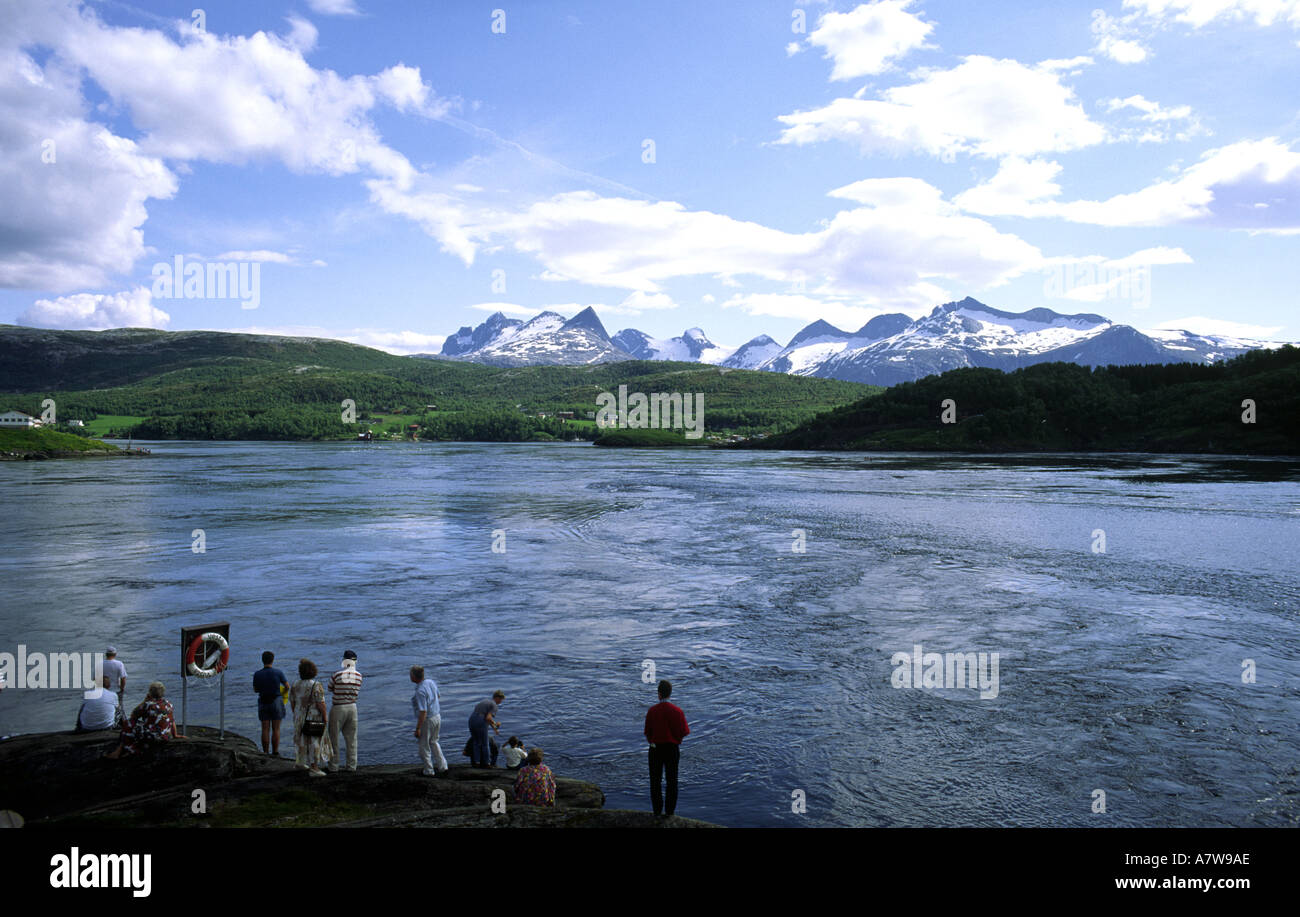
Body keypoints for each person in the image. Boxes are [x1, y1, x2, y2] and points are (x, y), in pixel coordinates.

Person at [644, 679, 690, 817]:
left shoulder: (652, 711)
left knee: (655, 781)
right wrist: (676, 740)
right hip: (672, 749)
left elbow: (647, 732)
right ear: (670, 693)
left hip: (655, 749)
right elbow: (684, 732)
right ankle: (670, 813)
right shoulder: (678, 711)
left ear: (659, 694)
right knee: (672, 781)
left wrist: (653, 741)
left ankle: (657, 812)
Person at [105, 682, 184, 758]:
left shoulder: (148, 705)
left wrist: (145, 701)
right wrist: (175, 734)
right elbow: (171, 720)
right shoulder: (168, 704)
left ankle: (124, 750)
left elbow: (133, 716)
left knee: (128, 723)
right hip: (166, 737)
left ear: (150, 693)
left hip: (153, 737)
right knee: (148, 724)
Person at [289, 659, 330, 777]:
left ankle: (300, 762)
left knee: (300, 740)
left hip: (299, 716)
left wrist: (296, 713)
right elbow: (320, 703)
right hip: (313, 716)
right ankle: (314, 768)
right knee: (314, 742)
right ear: (313, 671)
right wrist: (325, 717)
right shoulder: (316, 685)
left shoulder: (295, 684)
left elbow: (292, 701)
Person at [327, 650, 363, 772]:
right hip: (352, 707)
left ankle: (333, 766)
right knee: (352, 739)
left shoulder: (337, 675)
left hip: (338, 707)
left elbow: (330, 688)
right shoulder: (359, 676)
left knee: (334, 738)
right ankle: (351, 766)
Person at [410, 665, 448, 776]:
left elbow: (423, 711)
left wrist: (418, 728)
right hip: (437, 716)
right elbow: (438, 696)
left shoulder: (420, 691)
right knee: (434, 742)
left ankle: (429, 770)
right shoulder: (430, 682)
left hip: (427, 720)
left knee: (424, 746)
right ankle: (443, 766)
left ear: (414, 676)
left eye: (410, 674)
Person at [252, 651, 289, 756]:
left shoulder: (257, 674)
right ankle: (275, 752)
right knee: (276, 729)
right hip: (276, 701)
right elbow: (287, 686)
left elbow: (255, 690)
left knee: (265, 729)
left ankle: (265, 752)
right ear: (272, 660)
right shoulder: (278, 672)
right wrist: (283, 693)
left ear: (262, 660)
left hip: (263, 701)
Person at [468, 690, 505, 767]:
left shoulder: (485, 701)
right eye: (501, 699)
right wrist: (495, 723)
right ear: (497, 698)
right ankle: (487, 763)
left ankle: (477, 762)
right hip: (480, 721)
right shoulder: (494, 705)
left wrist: (495, 729)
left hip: (472, 719)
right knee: (485, 743)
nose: (501, 702)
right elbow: (488, 718)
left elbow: (487, 718)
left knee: (476, 742)